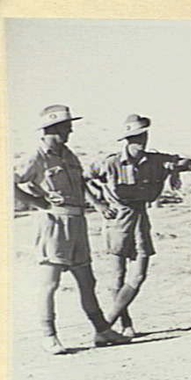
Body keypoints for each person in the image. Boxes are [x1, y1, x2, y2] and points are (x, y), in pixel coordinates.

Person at [14, 105, 131, 354]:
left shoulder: (68, 155)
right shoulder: (36, 156)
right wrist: (38, 202)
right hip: (54, 224)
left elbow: (80, 184)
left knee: (87, 281)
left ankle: (101, 329)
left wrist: (97, 204)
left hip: (78, 223)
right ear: (53, 129)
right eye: (66, 127)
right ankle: (49, 335)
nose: (70, 131)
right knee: (50, 284)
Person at [84, 114, 191, 338]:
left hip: (141, 219)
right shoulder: (110, 163)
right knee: (117, 277)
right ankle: (123, 325)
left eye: (143, 135)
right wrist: (98, 204)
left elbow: (187, 162)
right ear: (126, 140)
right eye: (136, 137)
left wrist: (174, 171)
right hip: (117, 220)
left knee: (138, 276)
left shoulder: (156, 161)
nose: (141, 140)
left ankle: (105, 325)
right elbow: (82, 179)